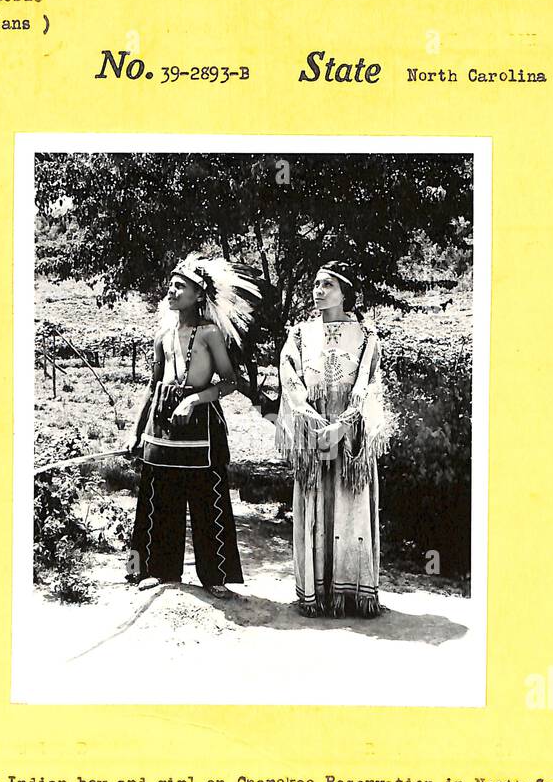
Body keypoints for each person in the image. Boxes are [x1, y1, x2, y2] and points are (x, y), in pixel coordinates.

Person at [126, 254, 260, 599]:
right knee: (157, 496)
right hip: (161, 423)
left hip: (201, 425)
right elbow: (154, 384)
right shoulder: (163, 333)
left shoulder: (210, 334)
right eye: (170, 285)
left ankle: (215, 575)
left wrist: (195, 399)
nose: (171, 291)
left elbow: (231, 381)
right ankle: (153, 569)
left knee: (207, 498)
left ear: (199, 295)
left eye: (180, 286)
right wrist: (137, 430)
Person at [276, 261, 390, 617]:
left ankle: (353, 593)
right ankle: (317, 593)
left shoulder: (366, 335)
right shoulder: (299, 333)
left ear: (345, 293)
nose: (318, 290)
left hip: (350, 437)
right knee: (315, 504)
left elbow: (369, 385)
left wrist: (343, 424)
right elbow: (289, 374)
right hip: (313, 432)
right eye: (316, 284)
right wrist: (309, 417)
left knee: (349, 508)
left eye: (328, 285)